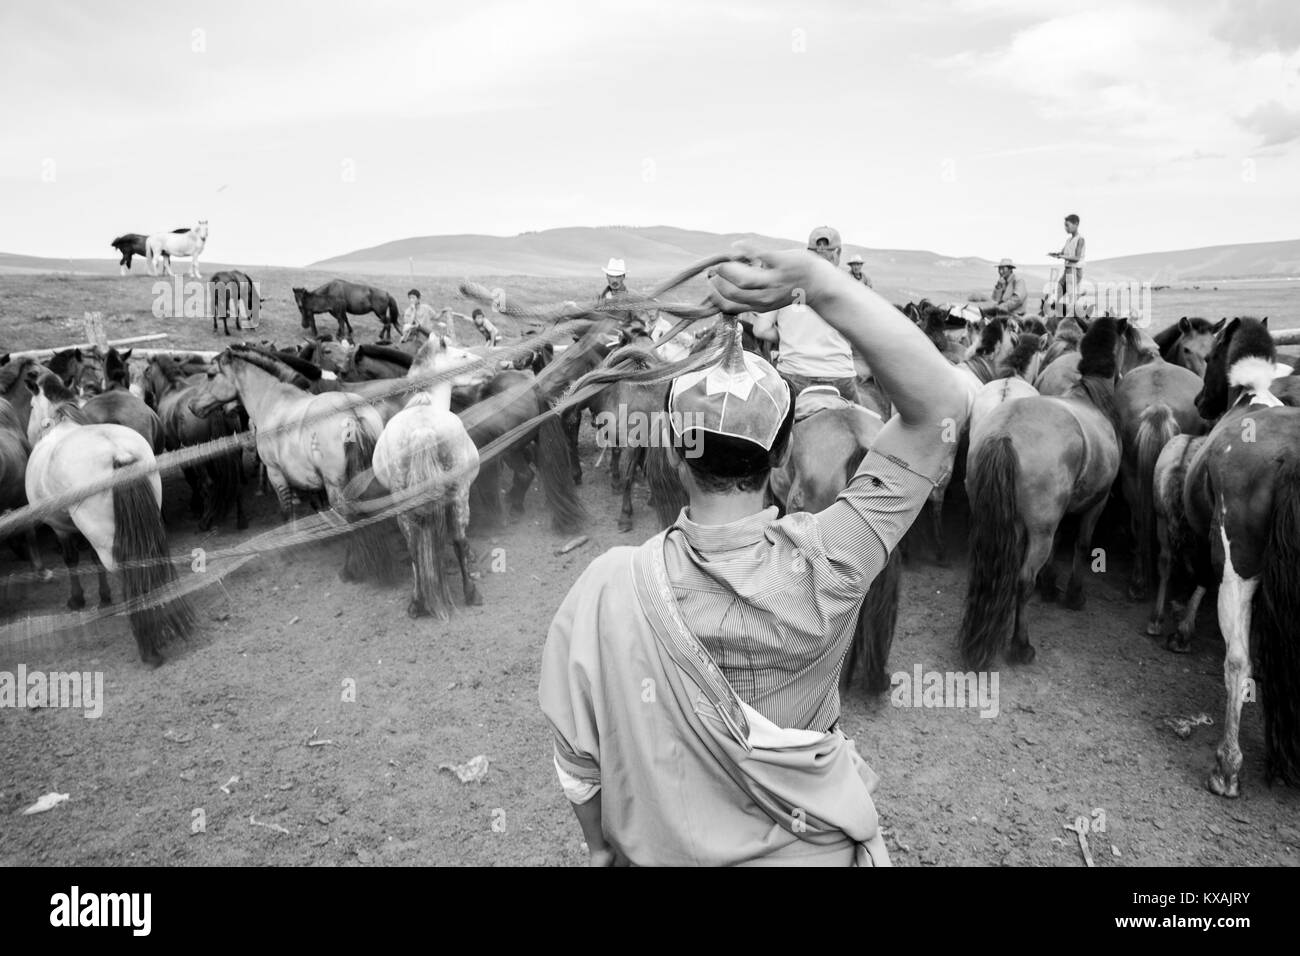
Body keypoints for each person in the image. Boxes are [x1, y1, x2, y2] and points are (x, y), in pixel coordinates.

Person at [539, 246, 970, 866]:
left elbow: (578, 763)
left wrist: (602, 850)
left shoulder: (609, 584)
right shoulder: (836, 559)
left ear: (672, 454)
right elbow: (938, 413)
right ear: (783, 451)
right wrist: (818, 281)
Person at [751, 227, 860, 402]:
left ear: (808, 252)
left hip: (794, 376)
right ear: (838, 252)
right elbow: (860, 335)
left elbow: (760, 330)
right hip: (840, 377)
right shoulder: (852, 286)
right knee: (870, 424)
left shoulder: (785, 282)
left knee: (768, 425)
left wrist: (790, 336)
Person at [1048, 214, 1086, 316]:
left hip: (1074, 270)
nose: (1066, 228)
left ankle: (1071, 315)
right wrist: (1056, 254)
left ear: (1076, 224)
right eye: (1065, 225)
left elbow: (1077, 258)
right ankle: (1055, 310)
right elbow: (1063, 253)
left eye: (1067, 225)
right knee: (1059, 288)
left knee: (1070, 295)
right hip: (1067, 269)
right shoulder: (1069, 240)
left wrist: (1062, 257)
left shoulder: (1080, 239)